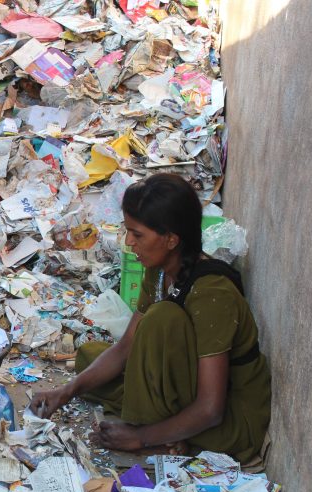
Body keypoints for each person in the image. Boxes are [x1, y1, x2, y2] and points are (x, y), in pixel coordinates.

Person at [30, 174, 271, 463]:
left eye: (138, 234)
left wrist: (140, 437)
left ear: (171, 239)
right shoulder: (158, 270)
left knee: (161, 318)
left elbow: (210, 408)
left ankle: (160, 436)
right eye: (127, 230)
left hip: (232, 415)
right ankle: (168, 432)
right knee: (90, 355)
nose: (129, 242)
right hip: (185, 382)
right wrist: (65, 392)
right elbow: (125, 348)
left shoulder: (211, 294)